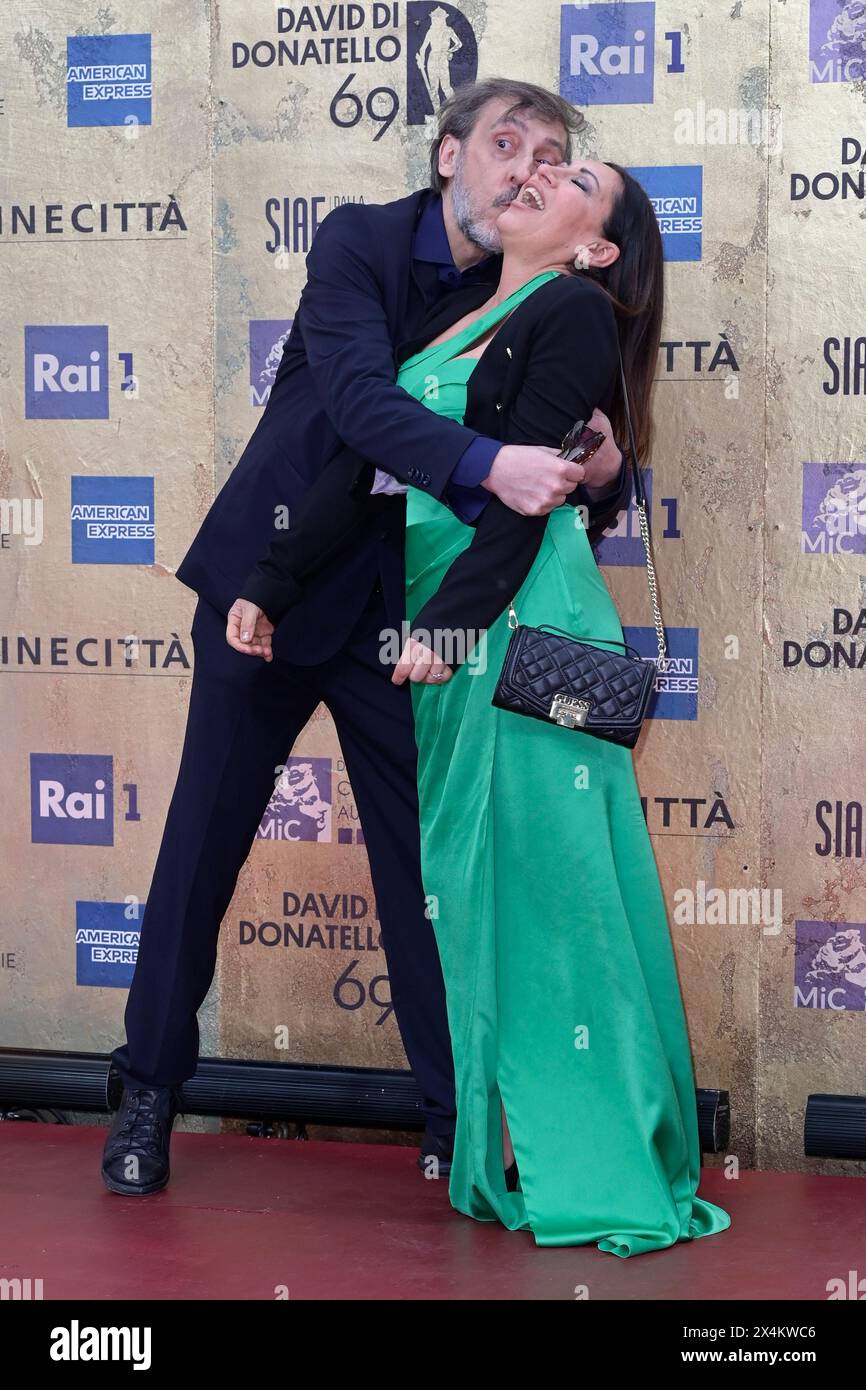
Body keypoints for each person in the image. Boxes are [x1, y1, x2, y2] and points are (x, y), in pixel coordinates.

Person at [100, 78, 630, 1197]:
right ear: (447, 155)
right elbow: (354, 405)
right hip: (276, 580)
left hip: (413, 620)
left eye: (546, 154)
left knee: (422, 873)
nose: (524, 169)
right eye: (503, 143)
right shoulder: (355, 242)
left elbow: (568, 450)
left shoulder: (533, 291)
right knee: (200, 842)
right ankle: (145, 1092)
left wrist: (605, 469)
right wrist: (487, 463)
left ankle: (450, 1120)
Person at [230, 158, 733, 1254]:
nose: (542, 172)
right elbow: (363, 471)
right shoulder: (463, 317)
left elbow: (526, 501)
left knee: (557, 901)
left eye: (574, 178)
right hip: (453, 631)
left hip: (518, 620)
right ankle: (513, 1151)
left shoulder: (569, 312)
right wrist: (269, 579)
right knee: (475, 896)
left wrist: (447, 626)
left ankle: (599, 1165)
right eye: (540, 162)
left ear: (595, 245)